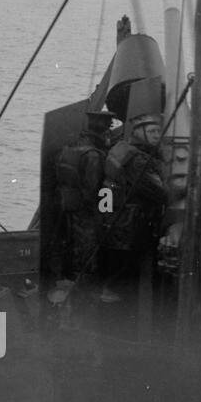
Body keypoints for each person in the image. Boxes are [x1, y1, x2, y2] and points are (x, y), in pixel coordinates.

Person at [99, 112, 170, 305]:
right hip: (133, 226)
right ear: (139, 133)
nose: (157, 135)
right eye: (152, 131)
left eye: (158, 131)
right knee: (127, 281)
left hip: (117, 223)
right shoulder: (139, 161)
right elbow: (161, 193)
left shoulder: (122, 149)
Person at [54, 109, 114, 283]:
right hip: (87, 213)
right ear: (104, 130)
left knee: (71, 248)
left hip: (68, 207)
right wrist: (108, 212)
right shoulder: (94, 155)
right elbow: (96, 190)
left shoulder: (71, 148)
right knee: (87, 254)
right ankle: (85, 288)